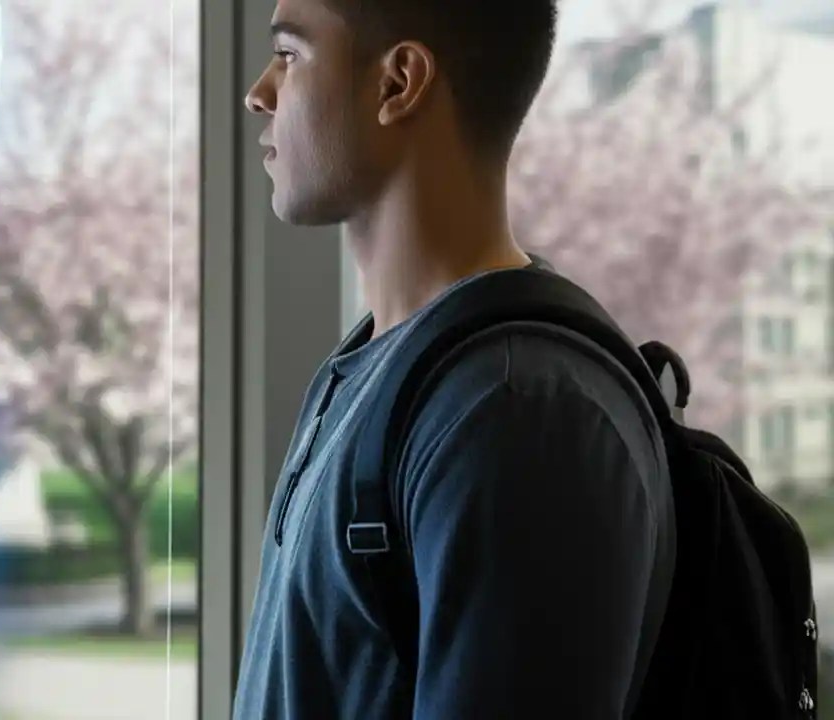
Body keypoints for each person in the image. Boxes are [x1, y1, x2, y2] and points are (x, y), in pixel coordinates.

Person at [234, 0, 676, 717]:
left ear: (398, 83)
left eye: (290, 54)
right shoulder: (383, 372)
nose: (259, 93)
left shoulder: (520, 411)